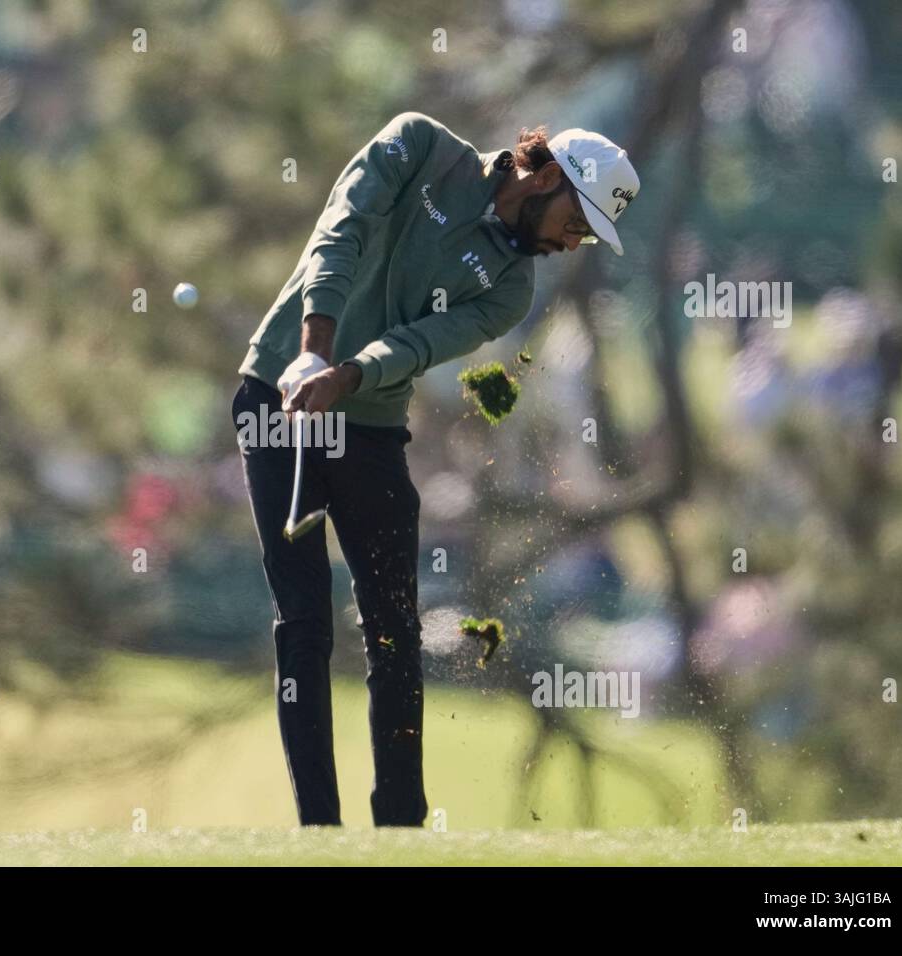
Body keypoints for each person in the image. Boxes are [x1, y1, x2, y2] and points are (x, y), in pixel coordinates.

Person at [231, 111, 639, 826]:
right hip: (280, 391)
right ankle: (319, 835)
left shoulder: (512, 286)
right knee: (303, 621)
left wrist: (348, 375)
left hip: (370, 421)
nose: (574, 243)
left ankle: (400, 830)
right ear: (545, 177)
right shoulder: (421, 146)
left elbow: (418, 343)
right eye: (578, 221)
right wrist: (315, 348)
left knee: (394, 628)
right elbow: (343, 229)